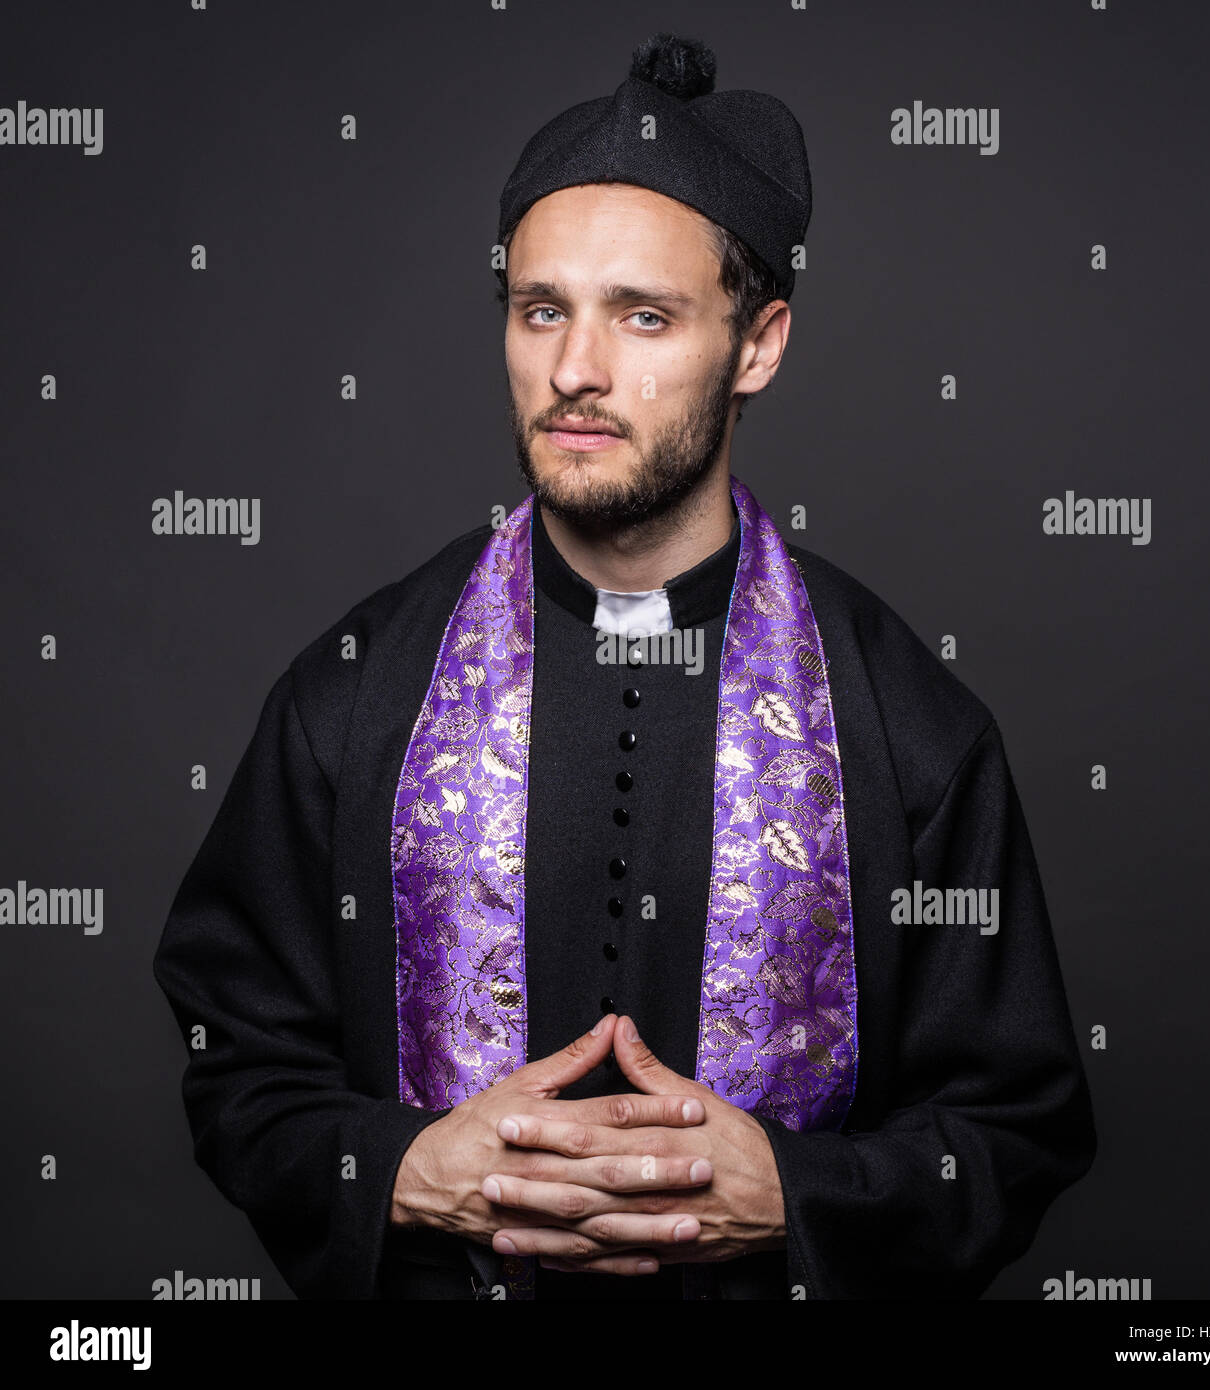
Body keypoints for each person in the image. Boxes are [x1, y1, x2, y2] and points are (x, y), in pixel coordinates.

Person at [153, 32, 1096, 1302]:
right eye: (541, 309)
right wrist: (398, 1170)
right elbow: (234, 1053)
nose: (574, 371)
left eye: (643, 315)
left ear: (757, 345)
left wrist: (800, 1195)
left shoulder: (905, 725)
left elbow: (1016, 1127)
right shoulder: (359, 692)